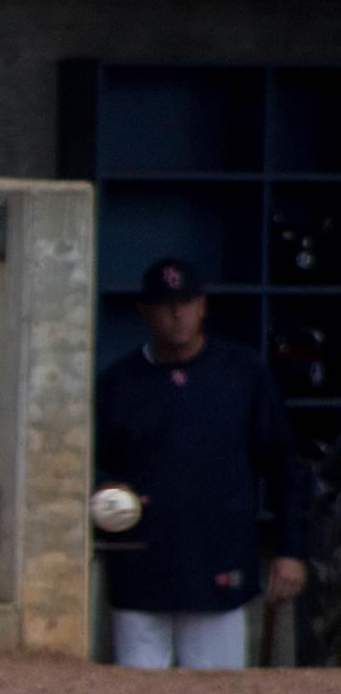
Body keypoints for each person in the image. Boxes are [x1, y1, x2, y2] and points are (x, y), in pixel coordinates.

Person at [94, 259, 308, 669]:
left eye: (187, 302)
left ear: (202, 306)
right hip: (141, 565)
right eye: (165, 304)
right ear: (145, 312)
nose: (178, 314)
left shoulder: (243, 374)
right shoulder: (118, 383)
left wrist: (289, 550)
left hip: (218, 560)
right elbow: (93, 468)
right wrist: (106, 493)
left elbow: (283, 466)